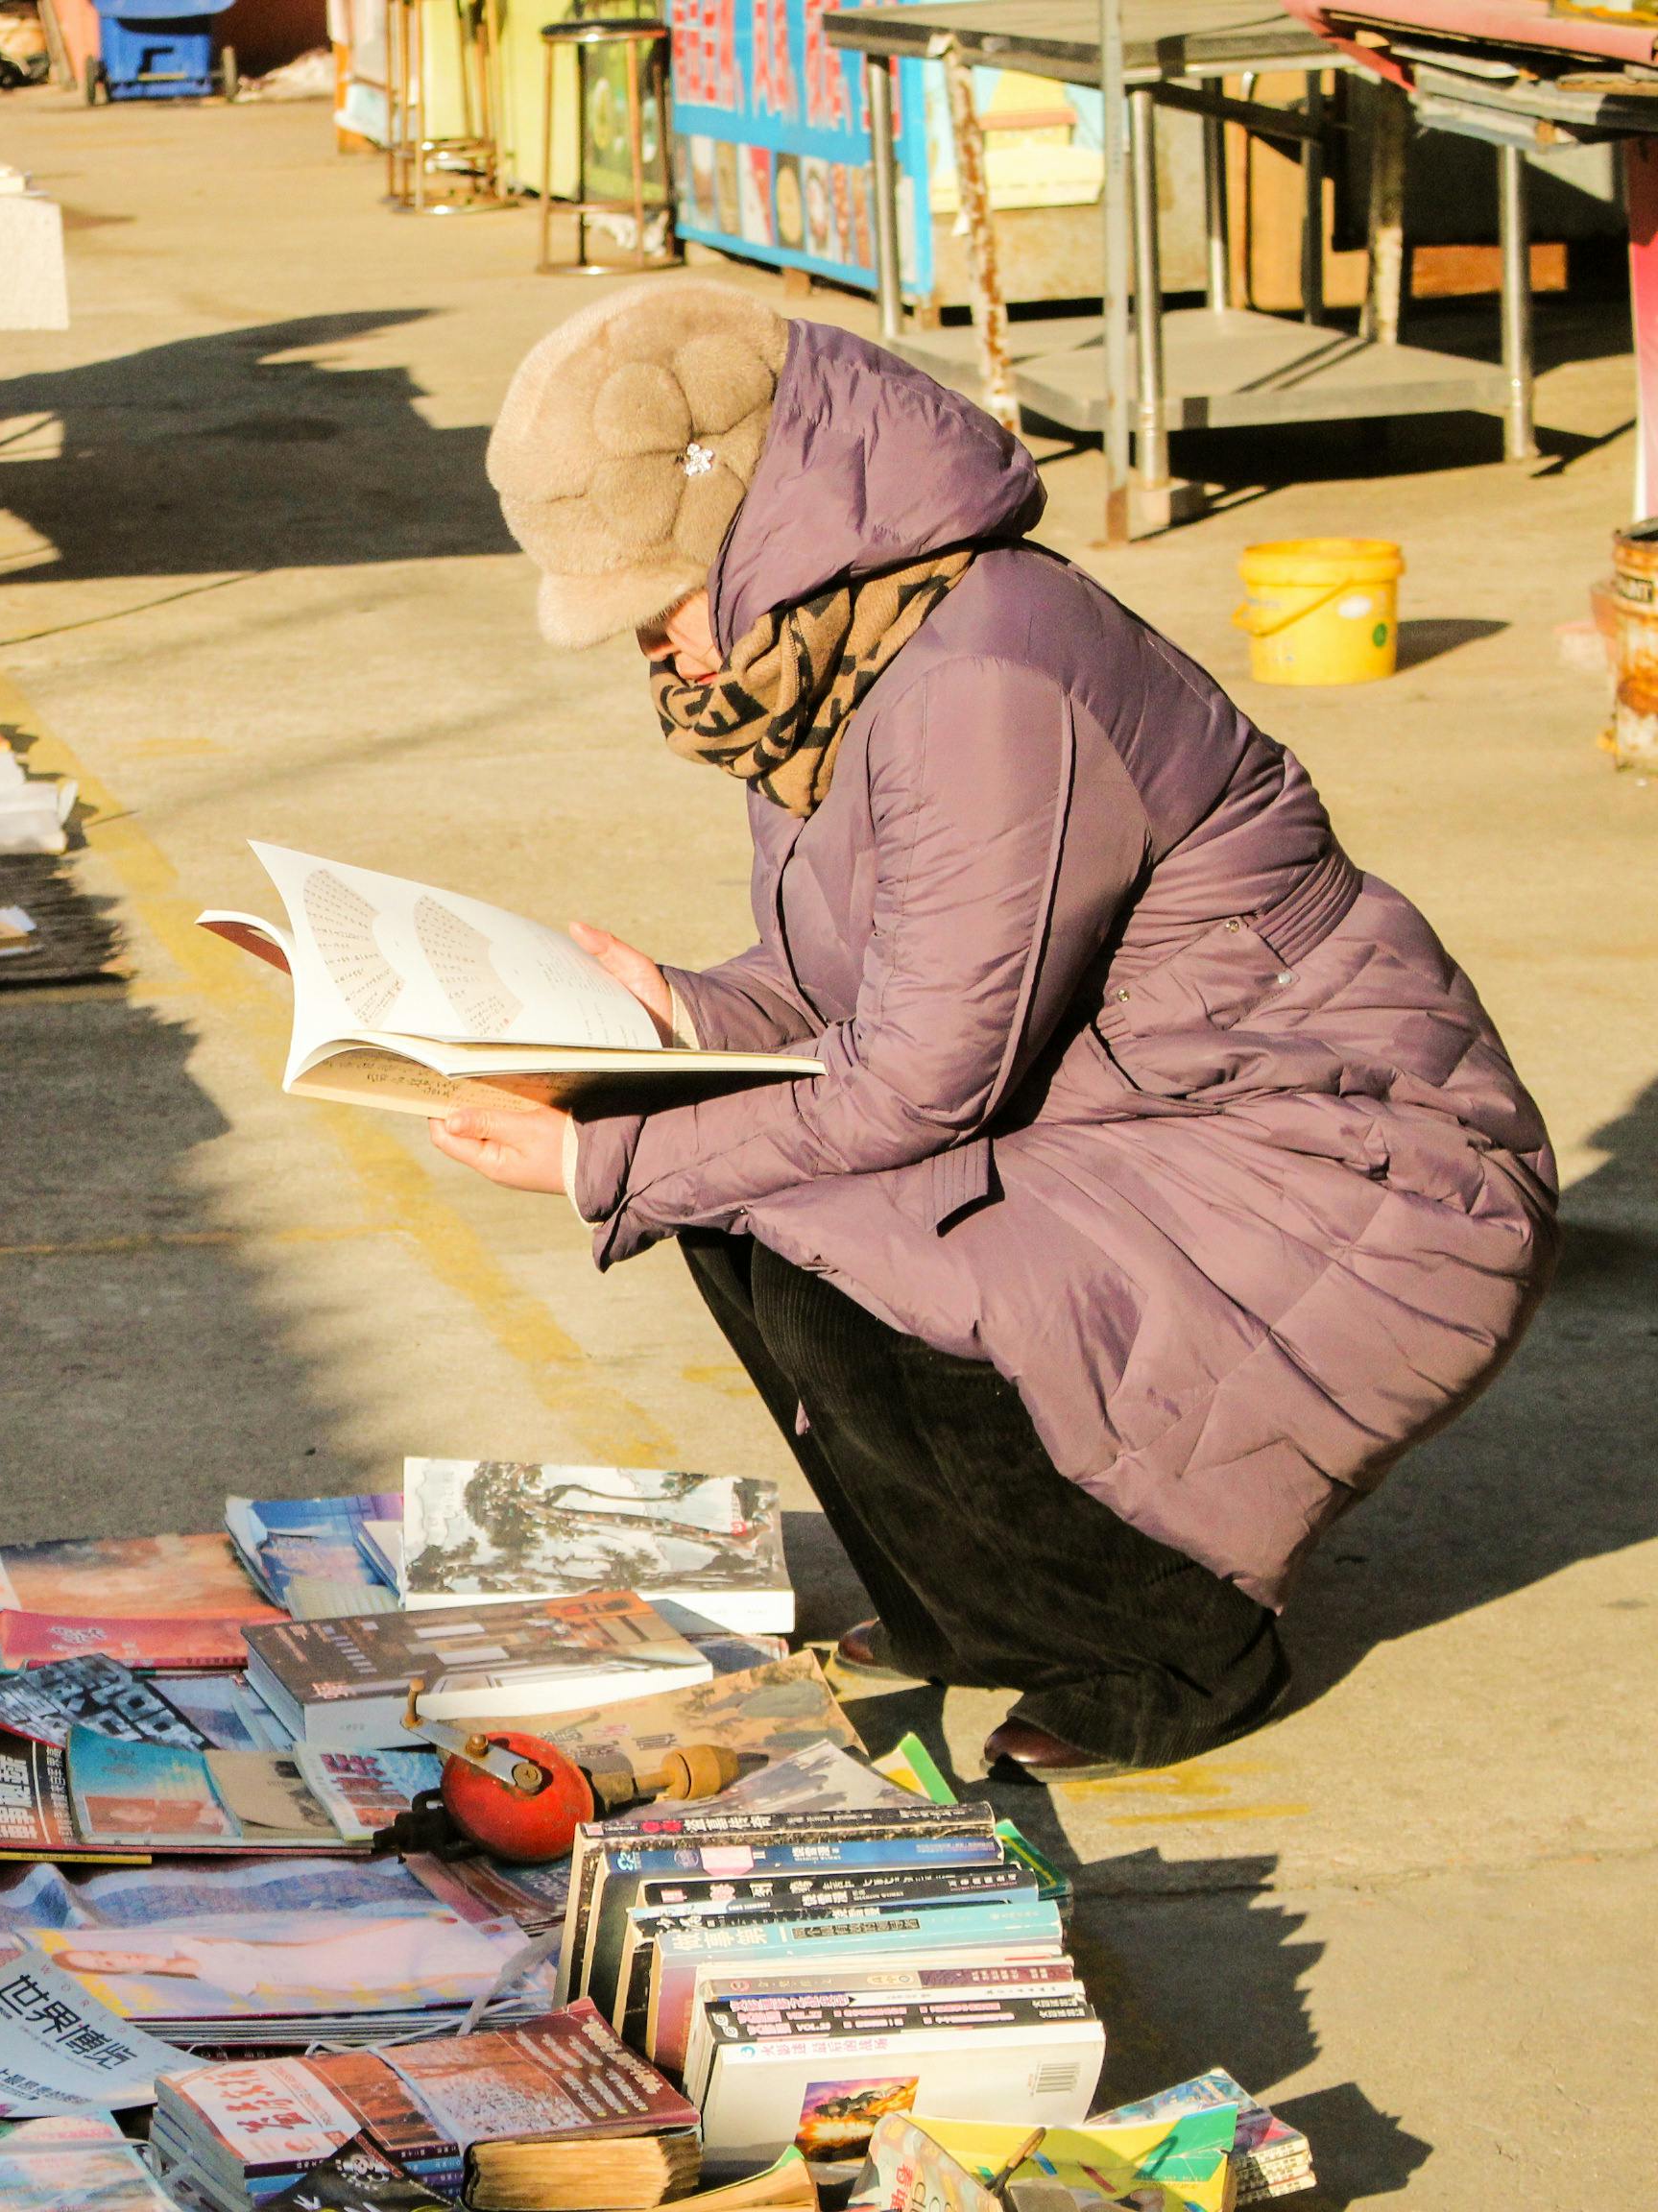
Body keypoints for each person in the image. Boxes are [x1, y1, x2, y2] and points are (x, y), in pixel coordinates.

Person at [438, 281, 1555, 1780]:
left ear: (758, 526)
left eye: (659, 606)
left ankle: (1170, 1649)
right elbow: (845, 987)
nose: (661, 654)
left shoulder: (984, 676)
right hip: (1145, 1112)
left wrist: (602, 1163)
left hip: (1345, 1162)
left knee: (813, 1214)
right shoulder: (836, 653)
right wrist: (658, 1017)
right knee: (728, 1180)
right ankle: (972, 1612)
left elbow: (911, 1080)